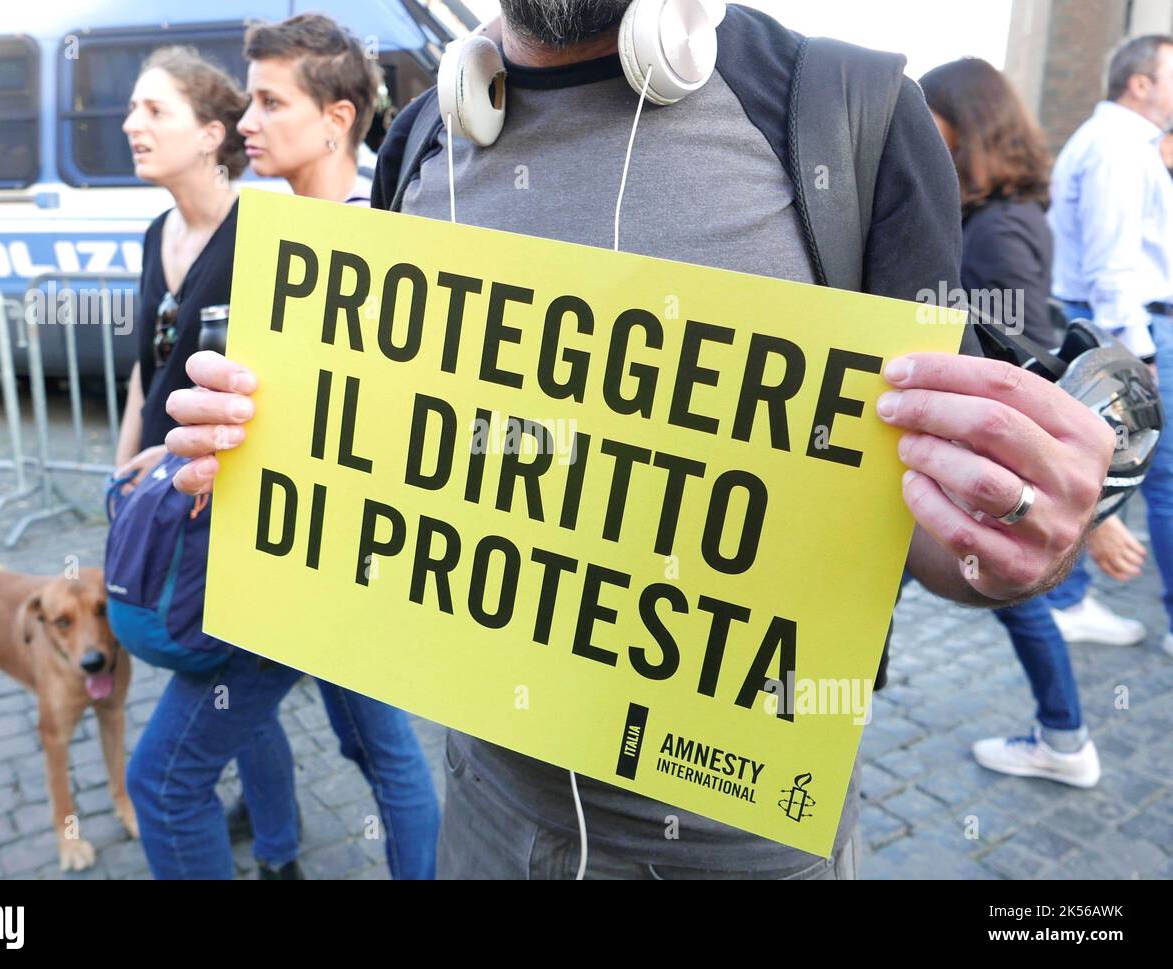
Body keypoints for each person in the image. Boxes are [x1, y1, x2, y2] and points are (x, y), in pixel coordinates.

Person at [164, 1, 1113, 879]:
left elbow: (928, 533)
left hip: (746, 839)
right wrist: (260, 441)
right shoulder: (420, 140)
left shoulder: (847, 117)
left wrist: (1014, 537)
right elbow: (394, 454)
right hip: (483, 816)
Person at [117, 33, 440, 881]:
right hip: (272, 549)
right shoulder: (270, 228)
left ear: (338, 120)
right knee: (369, 742)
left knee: (382, 752)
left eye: (270, 103)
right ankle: (280, 849)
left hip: (335, 560)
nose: (245, 121)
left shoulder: (384, 238)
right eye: (247, 100)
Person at [919, 57, 1138, 785]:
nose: (920, 133)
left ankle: (1066, 734)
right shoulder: (996, 215)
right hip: (979, 455)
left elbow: (1032, 367)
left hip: (994, 462)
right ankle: (1063, 732)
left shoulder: (999, 230)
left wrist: (1090, 512)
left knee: (1014, 594)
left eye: (932, 118)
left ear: (966, 124)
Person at [1045, 34, 1173, 656]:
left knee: (1117, 471)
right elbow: (1112, 265)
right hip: (1129, 326)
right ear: (1140, 83)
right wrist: (1140, 353)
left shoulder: (1128, 145)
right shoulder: (1119, 149)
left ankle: (1069, 599)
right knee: (1152, 477)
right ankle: (1068, 600)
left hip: (1129, 324)